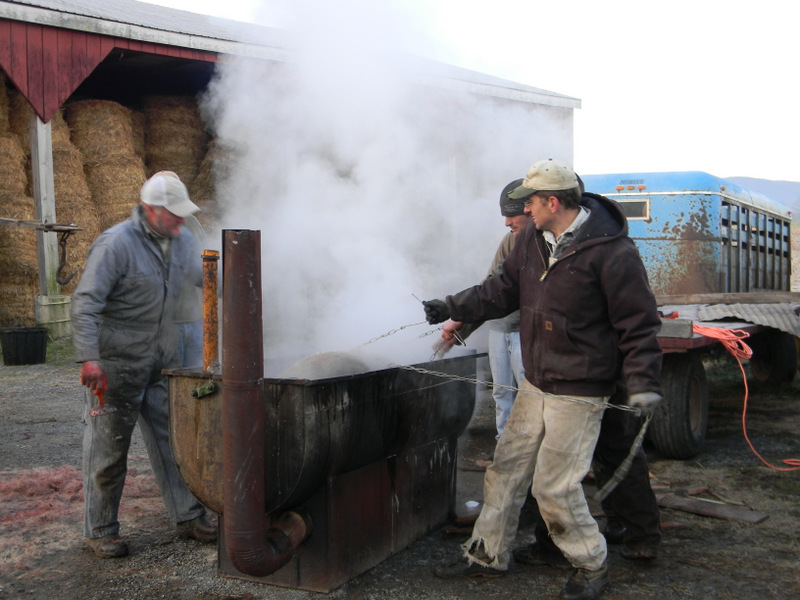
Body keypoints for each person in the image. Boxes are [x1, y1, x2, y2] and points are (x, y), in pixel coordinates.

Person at [424, 158, 663, 600]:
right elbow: (502, 290)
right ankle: (485, 554)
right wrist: (452, 306)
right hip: (537, 381)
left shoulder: (612, 253)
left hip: (580, 388)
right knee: (506, 470)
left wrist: (644, 382)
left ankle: (590, 564)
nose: (525, 210)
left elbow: (639, 325)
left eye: (530, 202)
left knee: (554, 486)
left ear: (553, 202)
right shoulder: (533, 239)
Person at [71, 172, 217, 558]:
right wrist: (89, 358)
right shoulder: (116, 244)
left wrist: (231, 278)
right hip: (116, 366)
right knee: (109, 448)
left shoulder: (183, 241)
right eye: (175, 215)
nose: (182, 222)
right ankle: (101, 530)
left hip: (162, 361)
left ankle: (188, 516)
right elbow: (86, 303)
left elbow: (203, 282)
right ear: (151, 210)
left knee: (175, 439)